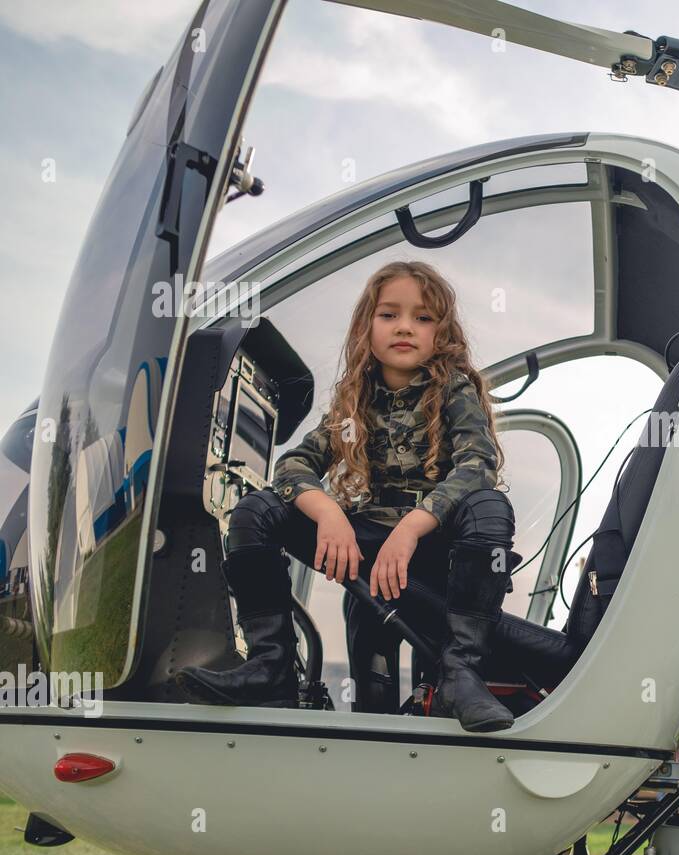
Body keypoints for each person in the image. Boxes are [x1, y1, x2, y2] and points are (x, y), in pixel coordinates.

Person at [175, 260, 518, 732]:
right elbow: (293, 466)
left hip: (433, 544)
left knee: (488, 504)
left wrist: (412, 527)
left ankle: (461, 674)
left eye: (423, 318)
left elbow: (477, 466)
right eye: (389, 315)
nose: (405, 327)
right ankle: (271, 665)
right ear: (366, 328)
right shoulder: (353, 400)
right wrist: (330, 514)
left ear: (443, 334)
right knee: (258, 510)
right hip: (366, 541)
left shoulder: (454, 389)